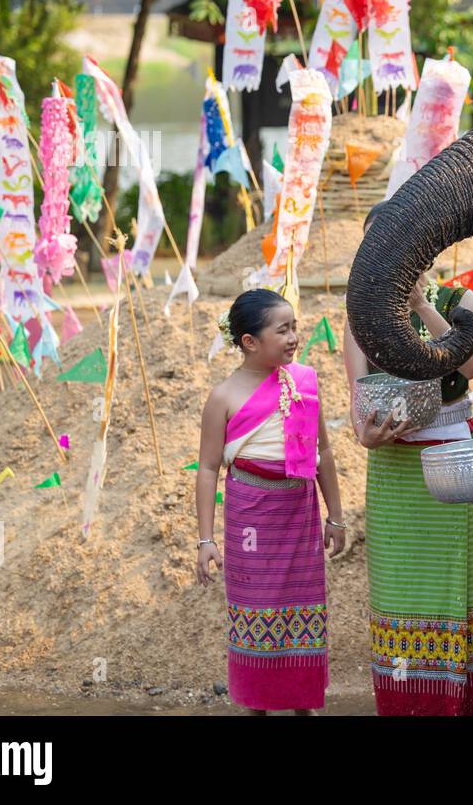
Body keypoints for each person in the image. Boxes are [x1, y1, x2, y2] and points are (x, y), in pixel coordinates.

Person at [342, 203, 473, 716]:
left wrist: (423, 304)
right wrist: (366, 436)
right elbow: (357, 398)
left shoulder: (456, 299)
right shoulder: (361, 313)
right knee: (402, 585)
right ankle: (410, 701)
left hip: (452, 458)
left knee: (455, 580)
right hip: (394, 464)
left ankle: (462, 699)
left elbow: (472, 362)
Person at [195, 289, 344, 715]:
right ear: (249, 341)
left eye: (295, 327)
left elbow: (323, 454)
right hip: (250, 520)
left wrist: (337, 517)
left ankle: (303, 705)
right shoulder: (222, 397)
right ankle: (256, 706)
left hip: (300, 513)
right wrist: (205, 540)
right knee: (254, 612)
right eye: (283, 330)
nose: (294, 337)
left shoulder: (305, 382)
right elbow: (207, 470)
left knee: (302, 611)